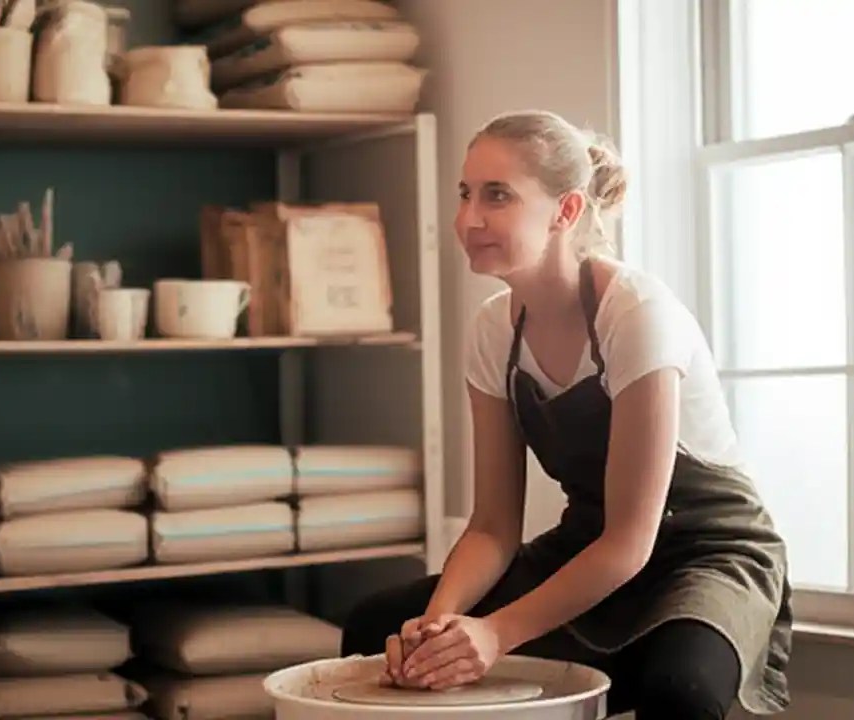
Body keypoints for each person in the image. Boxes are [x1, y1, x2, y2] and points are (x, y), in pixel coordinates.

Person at [339, 110, 793, 720]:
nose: (468, 219)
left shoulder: (637, 316)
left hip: (705, 551)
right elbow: (493, 526)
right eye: (466, 194)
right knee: (378, 626)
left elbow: (632, 543)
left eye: (497, 196)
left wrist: (494, 634)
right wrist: (440, 623)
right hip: (588, 545)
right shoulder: (492, 330)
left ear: (567, 211)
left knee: (678, 688)